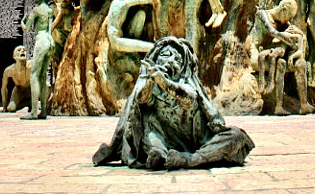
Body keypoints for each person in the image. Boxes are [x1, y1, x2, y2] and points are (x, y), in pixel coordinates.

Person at [92, 37, 254, 170]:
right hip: (163, 138)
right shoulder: (150, 82)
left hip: (198, 144)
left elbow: (190, 98)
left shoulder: (187, 83)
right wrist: (150, 81)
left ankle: (190, 159)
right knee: (146, 119)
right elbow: (141, 100)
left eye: (176, 58)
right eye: (165, 55)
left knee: (236, 136)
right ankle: (159, 154)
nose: (170, 60)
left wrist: (164, 83)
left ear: (183, 65)